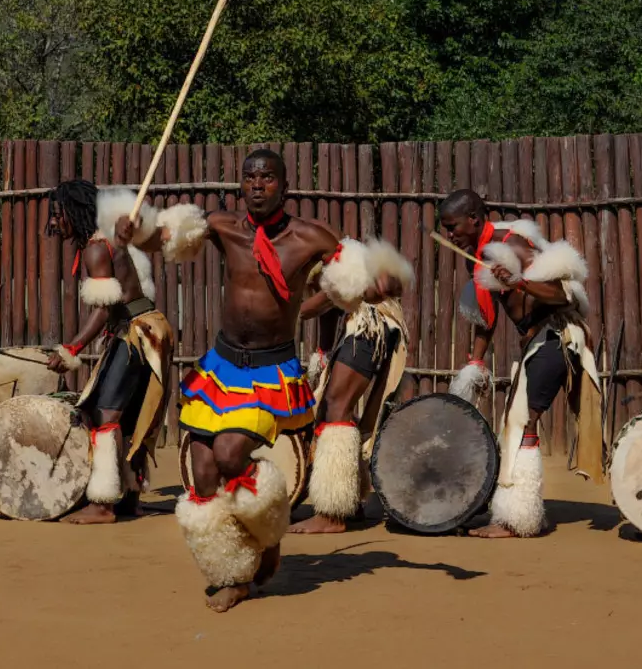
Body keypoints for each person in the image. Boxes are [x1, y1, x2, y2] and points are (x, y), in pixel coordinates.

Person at [117, 148, 408, 613]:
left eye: (267, 177)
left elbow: (358, 284)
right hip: (222, 365)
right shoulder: (223, 227)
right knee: (205, 471)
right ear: (240, 185)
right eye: (250, 177)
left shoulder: (312, 237)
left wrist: (384, 282)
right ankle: (231, 572)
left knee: (233, 453)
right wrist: (136, 233)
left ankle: (269, 538)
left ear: (284, 186)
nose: (257, 184)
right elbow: (165, 240)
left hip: (271, 370)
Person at [439, 189, 604, 538]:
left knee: (522, 421)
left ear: (475, 220)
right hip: (539, 341)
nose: (449, 235)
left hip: (557, 337)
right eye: (444, 228)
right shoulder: (481, 254)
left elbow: (563, 294)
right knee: (517, 421)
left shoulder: (512, 246)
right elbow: (490, 313)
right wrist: (476, 361)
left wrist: (520, 281)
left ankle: (516, 521)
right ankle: (518, 513)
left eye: (453, 227)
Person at [43, 180, 175, 525]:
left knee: (106, 414)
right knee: (130, 416)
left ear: (75, 213)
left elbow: (105, 307)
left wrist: (71, 348)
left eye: (59, 215)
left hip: (136, 333)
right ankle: (131, 497)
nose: (55, 223)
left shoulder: (95, 248)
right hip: (148, 327)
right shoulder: (105, 241)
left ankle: (102, 503)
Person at [288, 281, 412, 535]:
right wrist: (323, 351)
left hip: (367, 325)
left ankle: (332, 514)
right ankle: (351, 502)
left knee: (337, 409)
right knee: (328, 409)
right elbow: (329, 307)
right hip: (365, 324)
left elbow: (311, 307)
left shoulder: (322, 247)